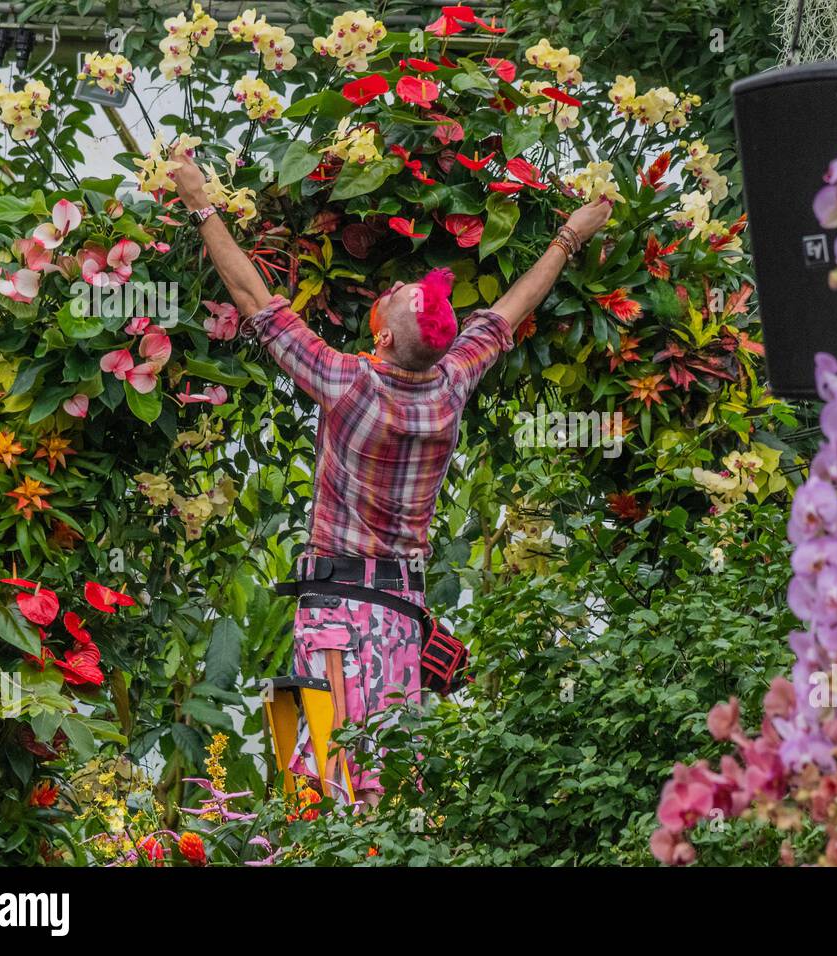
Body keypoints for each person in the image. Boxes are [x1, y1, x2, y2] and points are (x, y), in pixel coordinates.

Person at [168, 145, 612, 804]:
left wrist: (200, 202)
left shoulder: (347, 383)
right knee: (381, 793)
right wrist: (570, 235)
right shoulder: (451, 382)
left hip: (331, 622)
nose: (401, 287)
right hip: (402, 621)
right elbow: (513, 308)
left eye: (397, 295)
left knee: (319, 787)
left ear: (380, 339)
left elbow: (252, 297)